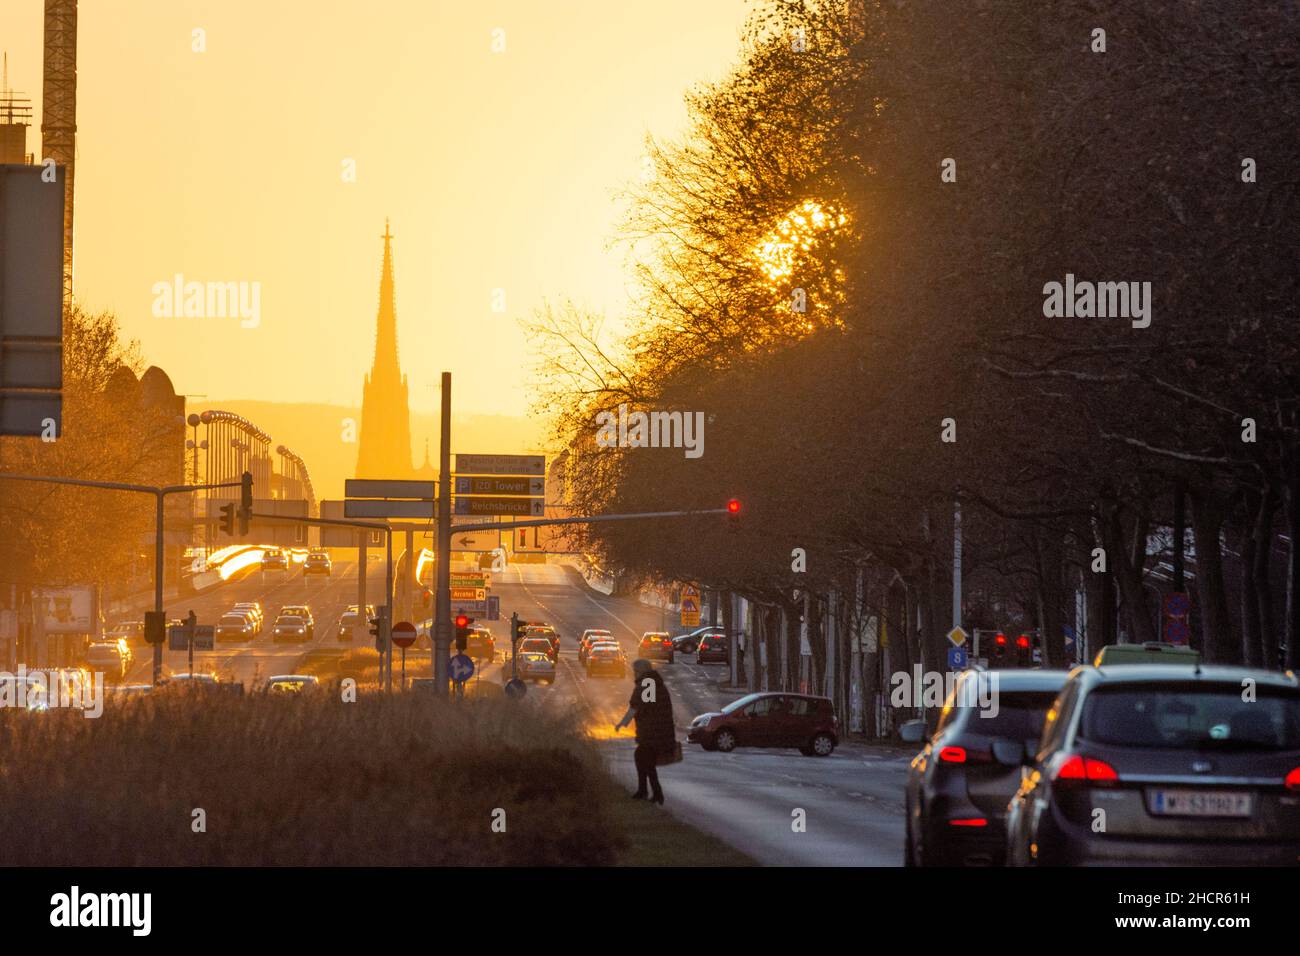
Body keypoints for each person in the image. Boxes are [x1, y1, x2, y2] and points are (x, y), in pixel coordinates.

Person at [614, 658, 676, 805]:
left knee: (643, 758)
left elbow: (640, 706)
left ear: (641, 671)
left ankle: (651, 792)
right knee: (644, 759)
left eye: (635, 671)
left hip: (655, 732)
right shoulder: (652, 682)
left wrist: (623, 722)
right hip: (657, 730)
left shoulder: (648, 684)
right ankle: (650, 792)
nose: (633, 674)